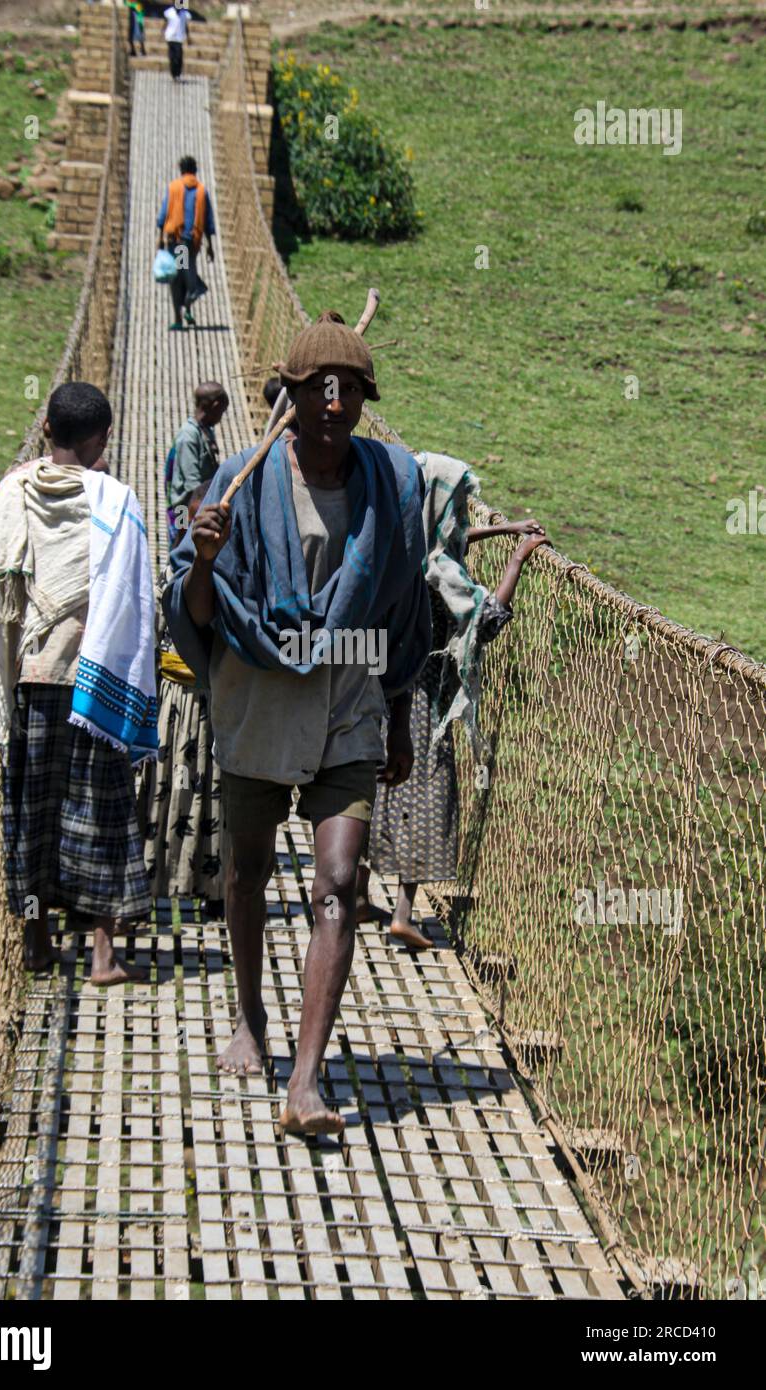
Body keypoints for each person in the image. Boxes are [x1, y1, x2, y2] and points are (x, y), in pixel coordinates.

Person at [162, 311, 432, 1135]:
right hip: (259, 695)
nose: (332, 402)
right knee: (247, 871)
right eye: (319, 387)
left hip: (347, 695)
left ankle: (306, 1081)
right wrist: (204, 557)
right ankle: (249, 1016)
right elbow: (199, 609)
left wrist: (396, 717)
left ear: (363, 401)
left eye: (348, 389)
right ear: (292, 395)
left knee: (339, 886)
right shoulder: (241, 480)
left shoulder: (392, 485)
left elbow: (399, 610)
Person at [0, 382, 158, 986]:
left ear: (47, 432)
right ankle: (103, 956)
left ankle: (36, 941)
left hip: (33, 679)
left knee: (34, 816)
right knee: (103, 814)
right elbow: (138, 597)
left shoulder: (12, 492)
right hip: (95, 682)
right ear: (103, 439)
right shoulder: (115, 499)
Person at [358, 453, 548, 948]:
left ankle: (354, 894)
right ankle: (404, 912)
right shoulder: (442, 575)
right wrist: (518, 558)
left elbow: (444, 539)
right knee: (427, 795)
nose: (463, 514)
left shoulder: (396, 552)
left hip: (373, 693)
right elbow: (485, 620)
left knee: (371, 788)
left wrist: (502, 530)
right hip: (423, 706)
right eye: (458, 503)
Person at [140, 483, 227, 916]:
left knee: (215, 794)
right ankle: (160, 881)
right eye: (194, 521)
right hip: (173, 704)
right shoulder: (168, 578)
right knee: (168, 787)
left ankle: (214, 889)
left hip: (216, 701)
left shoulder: (227, 580)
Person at [165, 381, 229, 546]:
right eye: (221, 411)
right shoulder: (188, 437)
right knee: (179, 548)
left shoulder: (205, 430)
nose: (221, 417)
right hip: (183, 508)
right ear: (214, 406)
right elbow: (192, 483)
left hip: (196, 504)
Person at [156, 155, 216, 332]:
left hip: (177, 242)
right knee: (184, 273)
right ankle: (187, 309)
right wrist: (209, 245)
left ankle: (181, 313)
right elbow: (207, 220)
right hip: (191, 242)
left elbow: (164, 214)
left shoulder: (174, 187)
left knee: (178, 279)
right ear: (195, 171)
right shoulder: (201, 191)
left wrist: (159, 237)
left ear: (181, 170)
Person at [162, 2, 189, 81]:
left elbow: (185, 25)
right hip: (170, 37)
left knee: (179, 57)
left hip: (179, 38)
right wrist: (162, 32)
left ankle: (178, 73)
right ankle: (174, 73)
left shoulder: (184, 14)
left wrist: (188, 36)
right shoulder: (169, 12)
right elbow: (165, 22)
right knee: (172, 57)